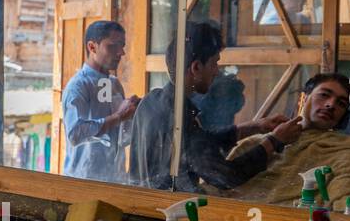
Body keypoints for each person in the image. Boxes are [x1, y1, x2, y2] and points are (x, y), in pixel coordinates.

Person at [130, 20, 302, 191]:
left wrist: (255, 126)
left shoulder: (151, 101)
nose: (216, 71)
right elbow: (227, 176)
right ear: (196, 67)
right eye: (214, 63)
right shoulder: (179, 118)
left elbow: (201, 144)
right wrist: (275, 140)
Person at [222, 73, 350, 207]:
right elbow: (218, 188)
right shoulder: (254, 143)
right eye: (324, 95)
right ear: (303, 99)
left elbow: (348, 207)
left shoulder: (345, 153)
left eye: (341, 103)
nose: (331, 104)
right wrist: (273, 141)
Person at [61, 20, 140, 183]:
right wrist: (118, 116)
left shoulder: (114, 84)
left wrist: (133, 114)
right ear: (92, 47)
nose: (121, 53)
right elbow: (75, 134)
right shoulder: (78, 86)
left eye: (122, 45)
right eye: (113, 46)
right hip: (84, 182)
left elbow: (120, 137)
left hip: (115, 179)